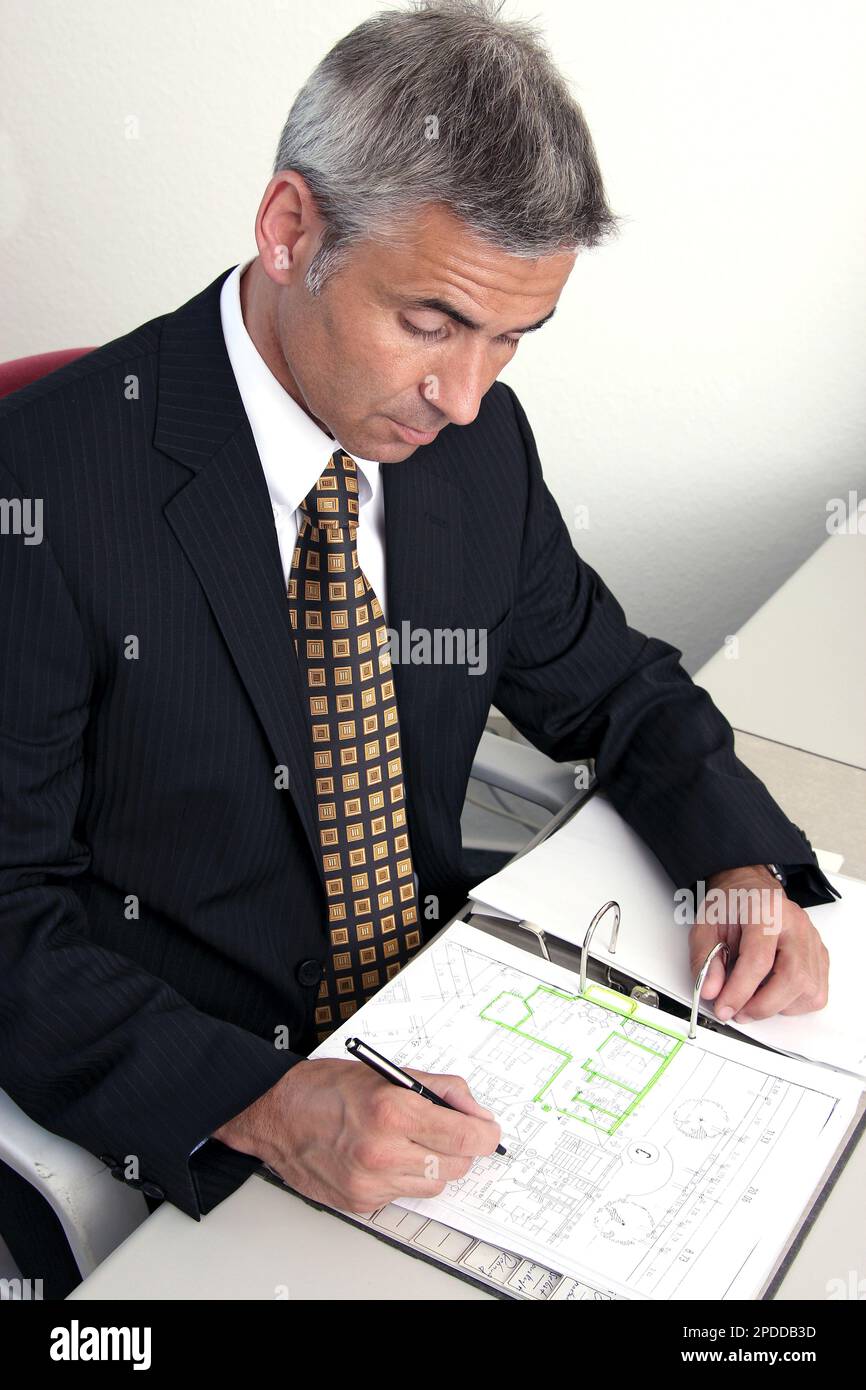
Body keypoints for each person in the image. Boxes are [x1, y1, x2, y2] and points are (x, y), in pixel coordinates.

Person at [0, 0, 837, 1291]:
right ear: (291, 228)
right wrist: (264, 1102)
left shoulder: (473, 448)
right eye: (433, 321)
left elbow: (612, 683)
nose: (465, 396)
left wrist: (738, 863)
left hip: (442, 1017)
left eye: (510, 339)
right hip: (198, 1089)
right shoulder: (44, 494)